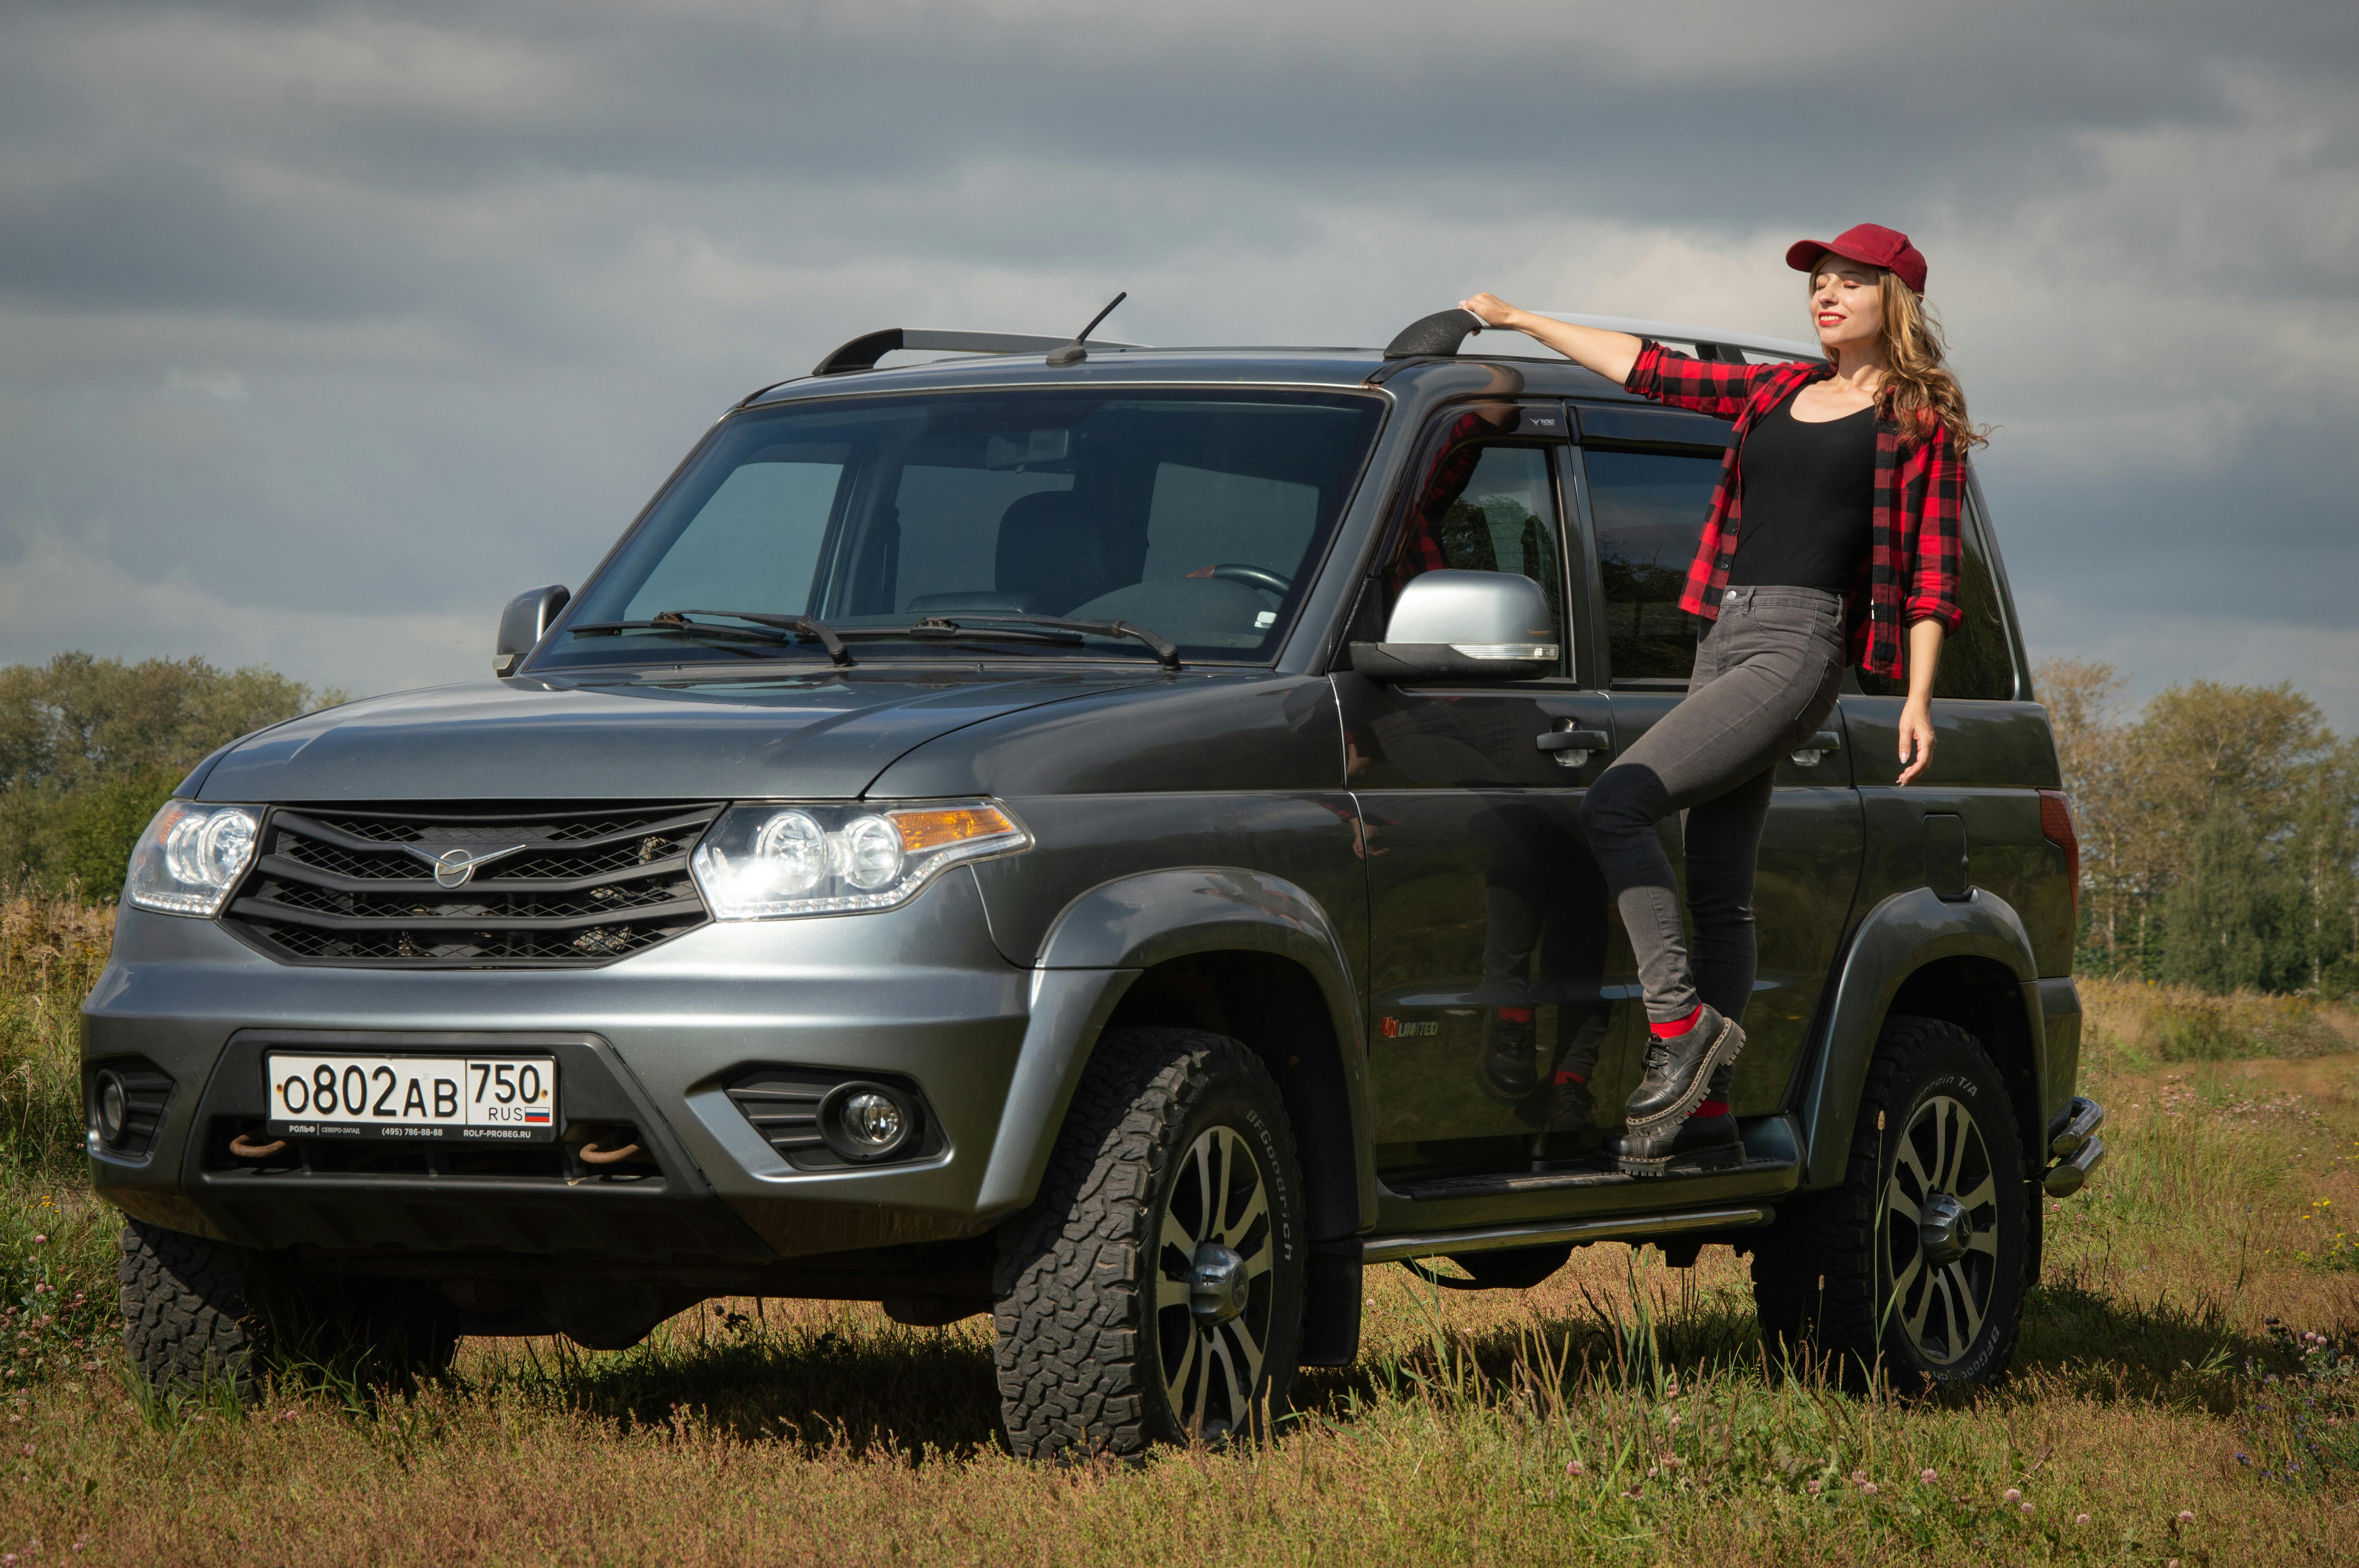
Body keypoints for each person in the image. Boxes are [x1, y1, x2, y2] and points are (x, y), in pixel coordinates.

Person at [1455, 222, 1984, 1176]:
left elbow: (1935, 576)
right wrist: (1522, 319)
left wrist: (1917, 698)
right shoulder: (1779, 390)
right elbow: (1649, 371)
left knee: (1618, 800)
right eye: (1817, 283)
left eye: (1848, 283)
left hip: (1802, 641)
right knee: (1719, 890)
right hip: (1722, 630)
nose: (1824, 296)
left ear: (1892, 299)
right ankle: (1709, 1110)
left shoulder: (1916, 421)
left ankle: (1679, 1023)